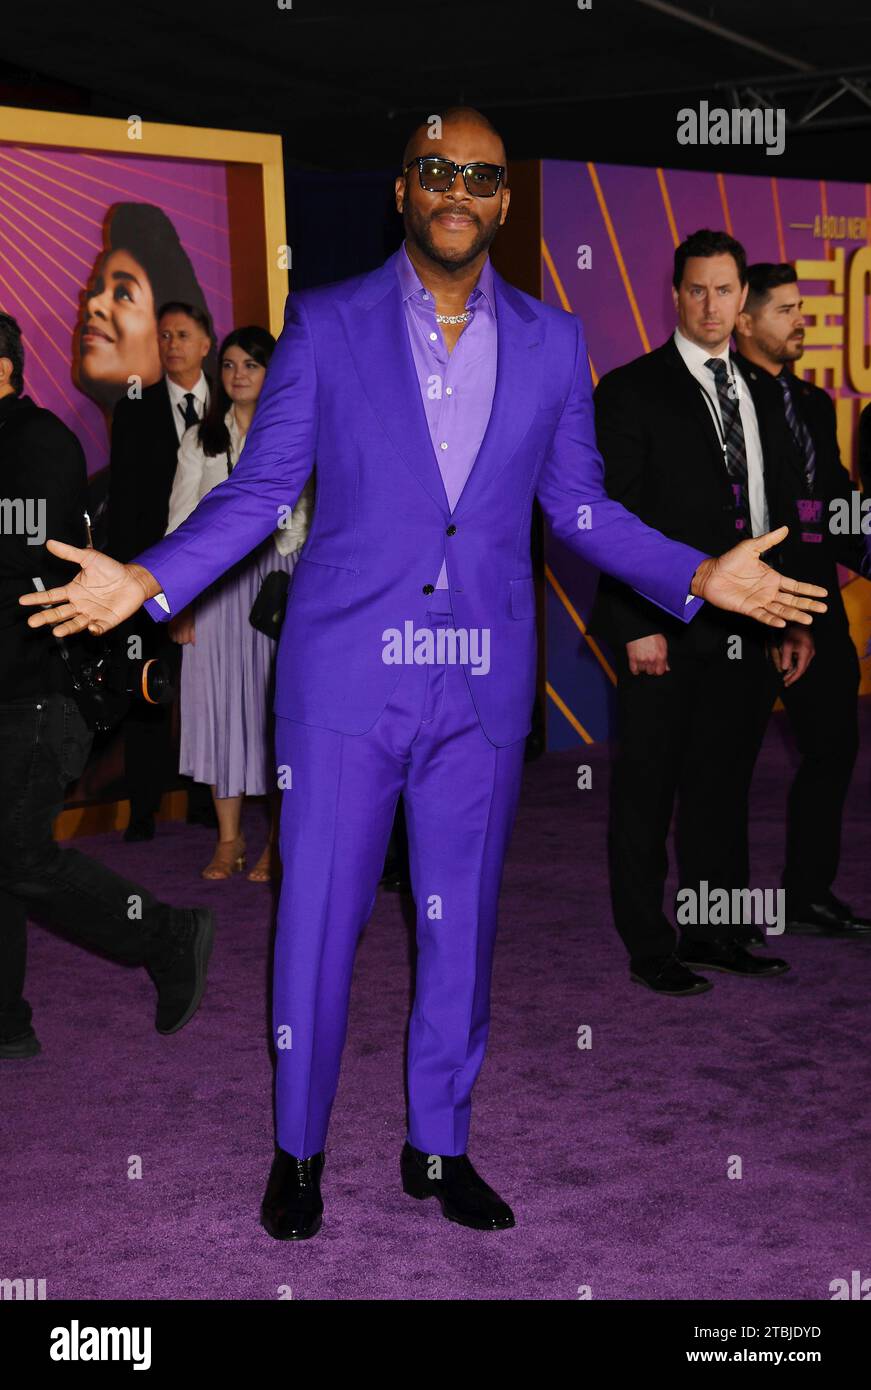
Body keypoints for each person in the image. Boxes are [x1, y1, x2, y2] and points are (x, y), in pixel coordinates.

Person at [21, 111, 826, 1240]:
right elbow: (258, 498)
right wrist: (143, 584)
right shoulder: (328, 324)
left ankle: (438, 1144)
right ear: (403, 191)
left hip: (481, 691)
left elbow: (577, 507)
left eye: (481, 176)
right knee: (317, 925)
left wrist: (699, 572)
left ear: (501, 202)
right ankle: (297, 1149)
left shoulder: (552, 342)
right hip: (345, 684)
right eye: (436, 170)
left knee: (462, 924)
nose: (458, 188)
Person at [590, 230, 802, 997]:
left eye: (724, 290)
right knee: (646, 790)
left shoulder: (763, 391)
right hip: (662, 625)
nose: (711, 305)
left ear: (742, 297)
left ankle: (716, 932)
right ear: (675, 295)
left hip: (749, 627)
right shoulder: (628, 390)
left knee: (723, 787)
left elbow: (777, 516)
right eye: (695, 290)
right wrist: (632, 622)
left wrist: (788, 617)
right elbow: (606, 517)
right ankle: (649, 944)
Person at [0, 312, 214, 1060]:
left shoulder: (37, 443)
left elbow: (31, 555)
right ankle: (7, 1023)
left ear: (2, 370)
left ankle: (166, 935)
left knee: (24, 856)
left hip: (38, 690)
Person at [733, 263, 871, 936]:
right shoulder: (720, 402)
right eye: (785, 309)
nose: (801, 321)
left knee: (833, 748)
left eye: (800, 308)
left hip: (817, 607)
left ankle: (807, 893)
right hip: (742, 612)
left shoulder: (812, 404)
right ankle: (719, 917)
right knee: (722, 765)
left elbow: (831, 506)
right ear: (744, 320)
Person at [165, 327, 314, 881]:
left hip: (281, 584)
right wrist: (176, 602)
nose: (238, 375)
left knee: (280, 713)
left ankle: (279, 840)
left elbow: (316, 514)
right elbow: (179, 523)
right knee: (221, 708)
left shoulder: (300, 434)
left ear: (274, 371)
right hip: (214, 588)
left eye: (251, 364)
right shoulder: (199, 440)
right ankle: (229, 841)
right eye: (228, 365)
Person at [108, 301, 215, 843]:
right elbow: (125, 502)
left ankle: (208, 803)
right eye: (165, 335)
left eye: (183, 334)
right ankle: (143, 808)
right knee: (151, 687)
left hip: (223, 575)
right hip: (151, 575)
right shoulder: (135, 407)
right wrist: (137, 575)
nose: (172, 343)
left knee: (211, 690)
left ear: (205, 343)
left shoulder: (237, 399)